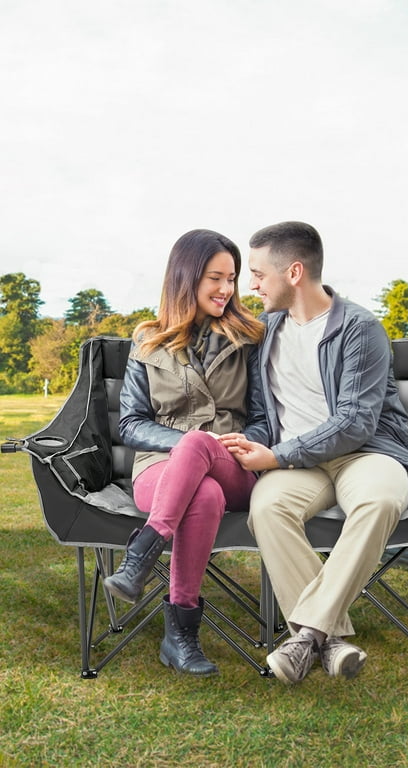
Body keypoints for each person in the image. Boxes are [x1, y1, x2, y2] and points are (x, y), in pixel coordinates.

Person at [220, 221, 408, 685]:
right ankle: (330, 642)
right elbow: (260, 409)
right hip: (297, 464)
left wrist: (276, 457)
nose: (251, 285)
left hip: (366, 453)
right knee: (268, 508)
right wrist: (255, 443)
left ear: (294, 272)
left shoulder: (360, 329)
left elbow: (354, 423)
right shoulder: (264, 332)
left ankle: (309, 635)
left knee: (380, 501)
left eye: (258, 274)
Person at [104, 228, 265, 677]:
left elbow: (263, 417)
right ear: (186, 277)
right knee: (204, 491)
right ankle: (181, 638)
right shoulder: (148, 342)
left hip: (234, 462)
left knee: (200, 447)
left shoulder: (250, 338)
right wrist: (190, 446)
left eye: (231, 278)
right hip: (160, 469)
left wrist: (235, 443)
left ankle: (142, 553)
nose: (227, 289)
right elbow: (130, 423)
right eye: (216, 278)